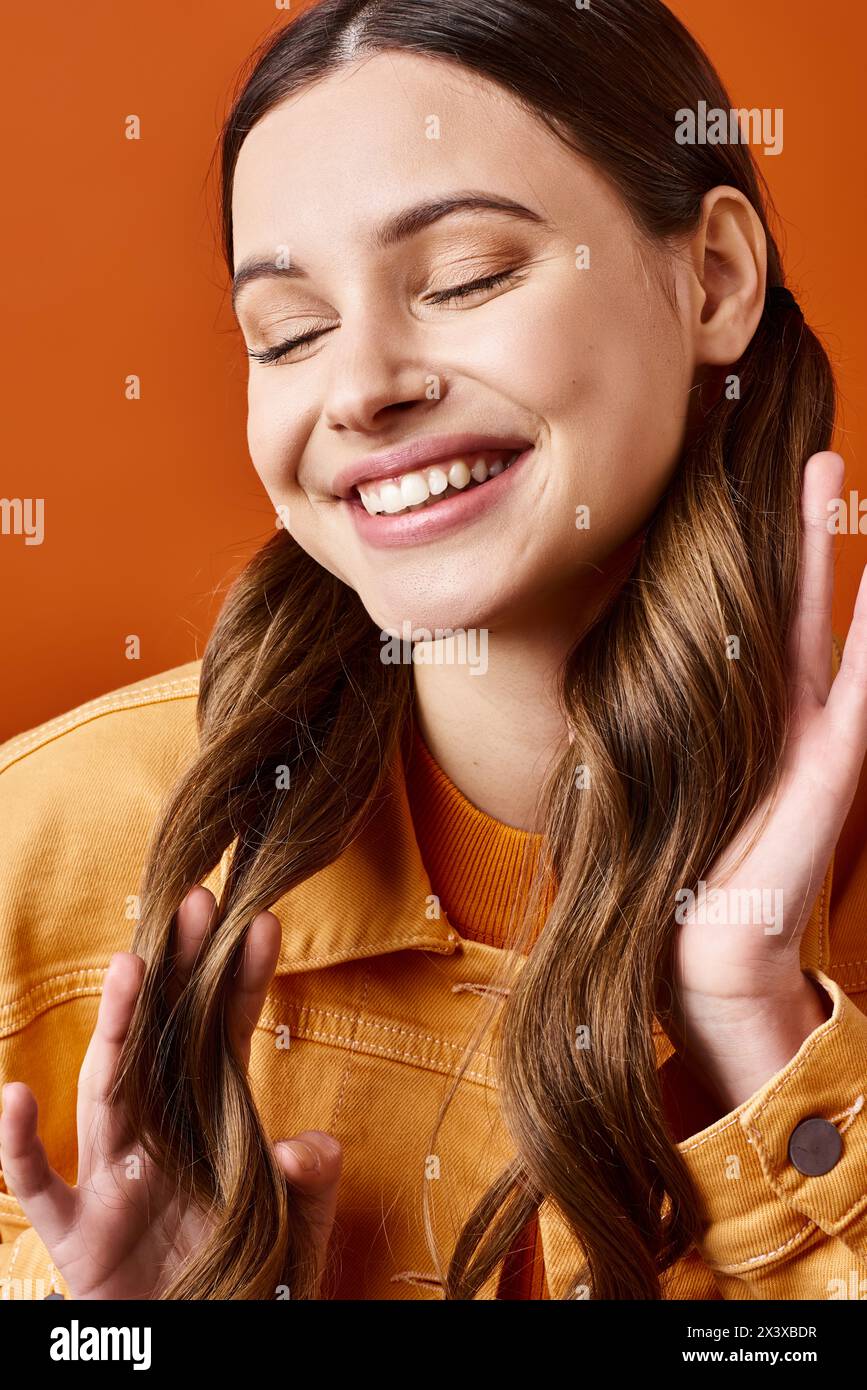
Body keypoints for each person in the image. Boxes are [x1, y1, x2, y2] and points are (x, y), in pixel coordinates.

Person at [2, 0, 866, 1302]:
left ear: (716, 278)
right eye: (288, 334)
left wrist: (758, 1024)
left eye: (466, 278)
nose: (359, 387)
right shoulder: (49, 848)